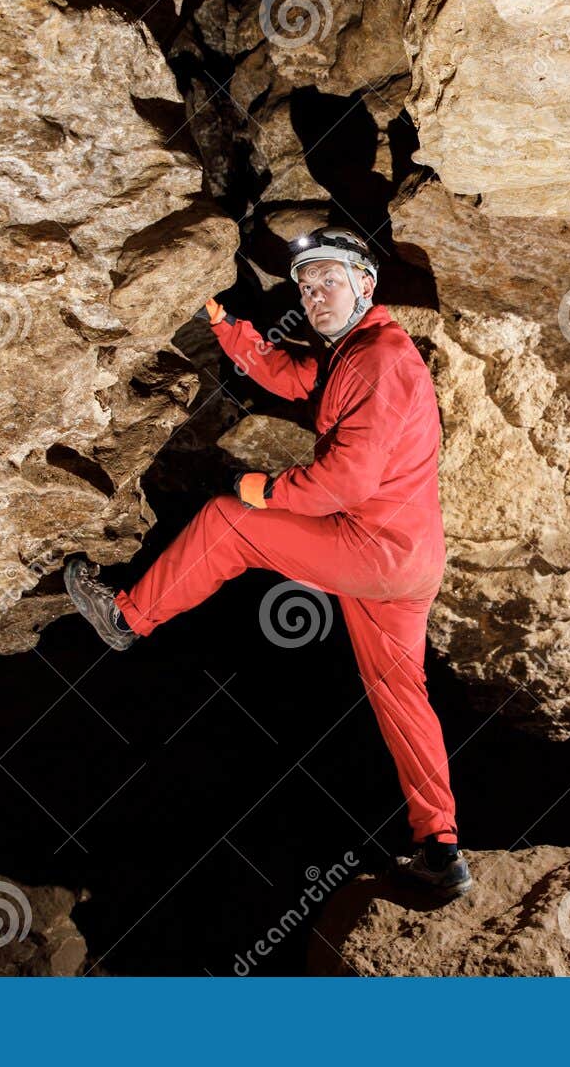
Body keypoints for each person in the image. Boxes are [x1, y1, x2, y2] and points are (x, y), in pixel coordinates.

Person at [61, 227, 471, 897]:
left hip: (373, 549)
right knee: (402, 696)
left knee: (230, 522)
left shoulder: (376, 361)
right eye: (306, 286)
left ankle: (128, 618)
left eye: (329, 281)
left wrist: (267, 490)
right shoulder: (356, 350)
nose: (314, 296)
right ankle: (442, 846)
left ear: (366, 284)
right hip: (410, 559)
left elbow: (345, 482)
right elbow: (287, 374)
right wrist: (226, 327)